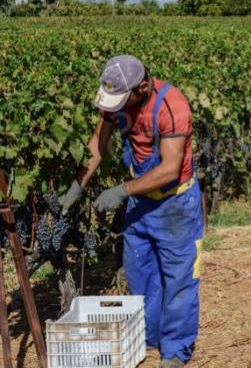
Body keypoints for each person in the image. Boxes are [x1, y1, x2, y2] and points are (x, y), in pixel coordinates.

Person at [59, 55, 203, 368]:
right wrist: (76, 186)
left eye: (122, 100)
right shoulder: (116, 103)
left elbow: (169, 169)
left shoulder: (171, 106)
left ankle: (176, 350)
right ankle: (148, 338)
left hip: (175, 204)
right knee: (141, 275)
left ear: (142, 87)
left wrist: (122, 190)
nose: (115, 107)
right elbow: (98, 143)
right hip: (141, 203)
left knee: (179, 279)